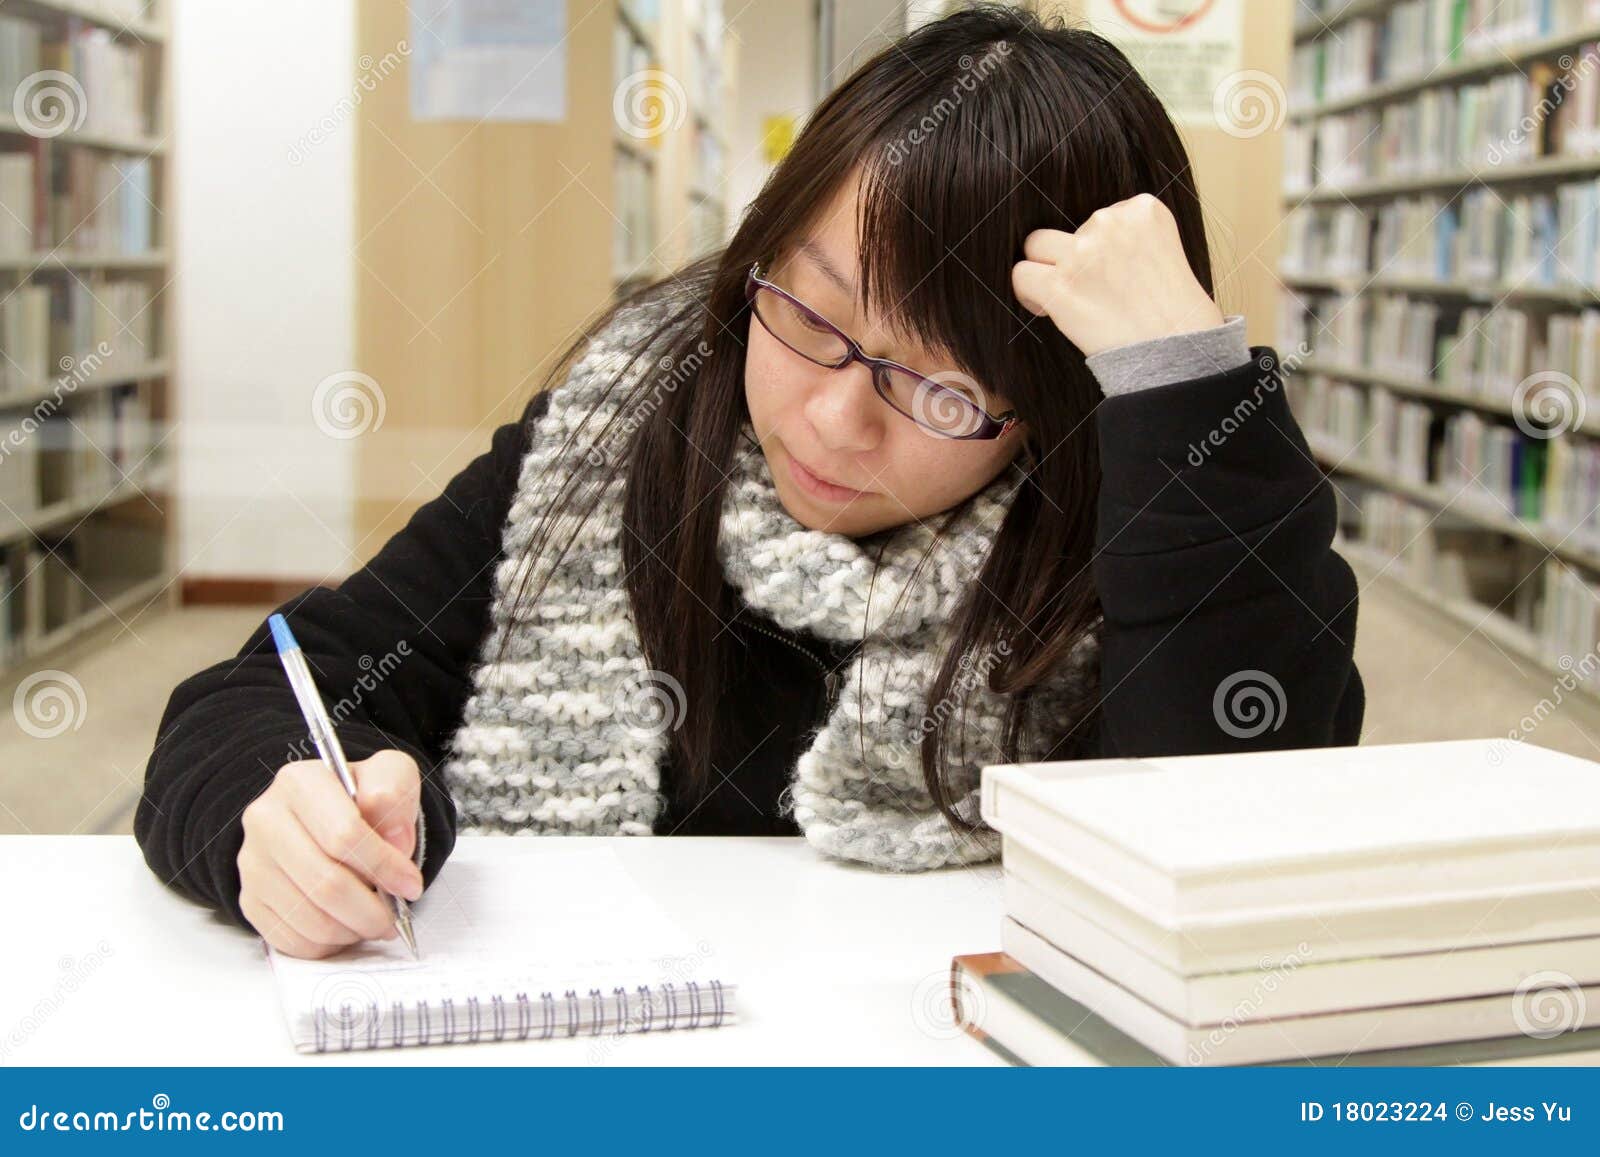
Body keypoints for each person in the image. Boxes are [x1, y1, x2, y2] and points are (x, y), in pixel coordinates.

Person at [136, 5, 1363, 959]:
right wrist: (288, 812)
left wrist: (1188, 393)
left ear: (1052, 410)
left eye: (938, 388)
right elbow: (259, 695)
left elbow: (1252, 856)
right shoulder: (616, 437)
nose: (832, 419)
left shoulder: (1139, 497)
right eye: (810, 316)